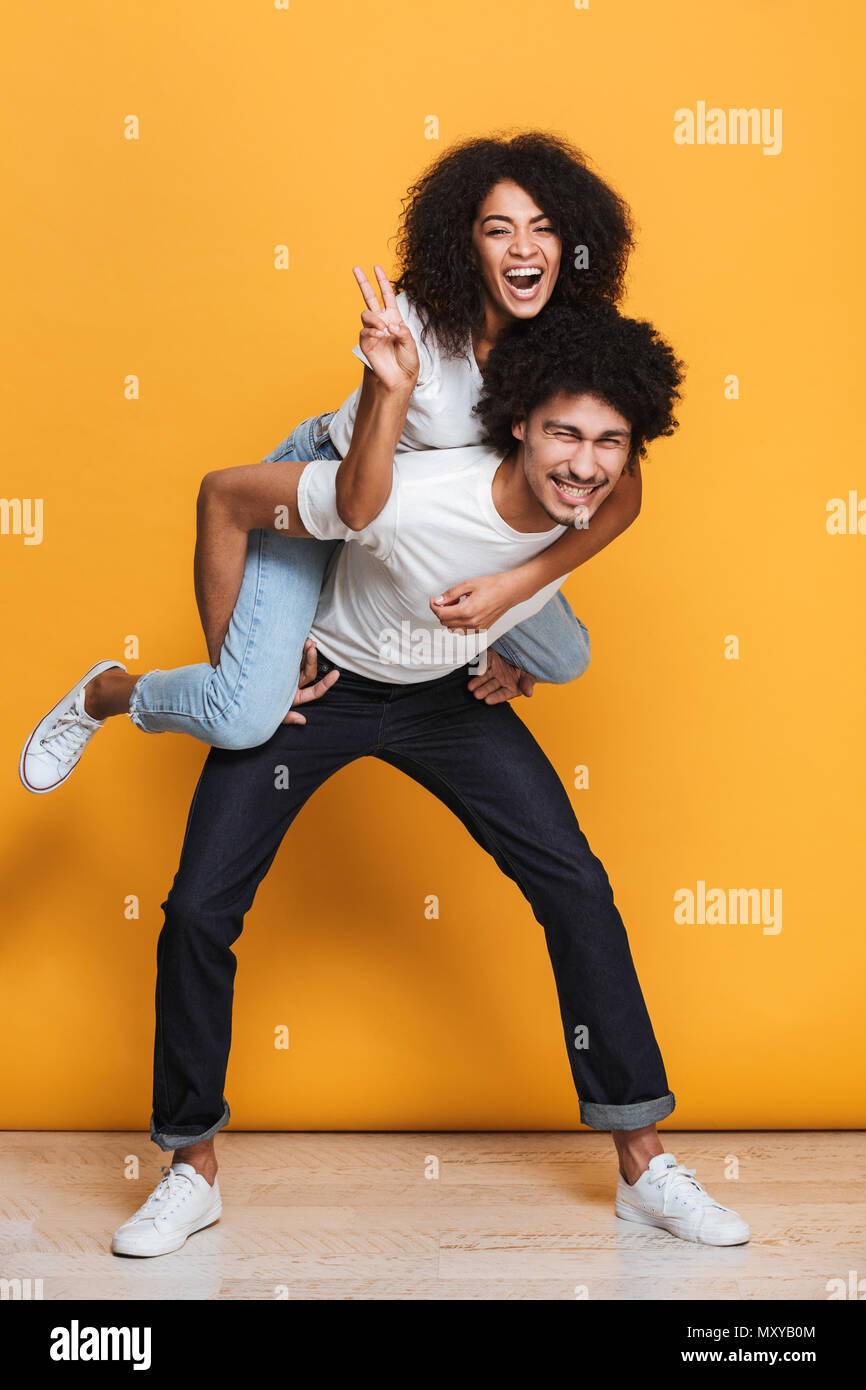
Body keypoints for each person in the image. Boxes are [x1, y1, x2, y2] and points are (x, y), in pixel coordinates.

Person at [109, 297, 750, 1257]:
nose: (586, 462)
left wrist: (510, 614)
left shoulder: (602, 491)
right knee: (200, 908)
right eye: (565, 434)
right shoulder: (410, 494)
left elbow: (618, 500)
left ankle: (643, 1166)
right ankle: (189, 1167)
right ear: (521, 424)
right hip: (326, 687)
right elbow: (226, 499)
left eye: (610, 441)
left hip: (448, 698)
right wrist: (247, 663)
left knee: (575, 887)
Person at [20, 132, 643, 791]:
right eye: (499, 230)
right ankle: (107, 693)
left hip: (430, 520)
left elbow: (625, 493)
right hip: (336, 486)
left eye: (544, 229)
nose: (524, 248)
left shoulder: (571, 339)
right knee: (243, 715)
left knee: (565, 656)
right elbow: (355, 505)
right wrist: (246, 671)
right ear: (468, 245)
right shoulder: (415, 333)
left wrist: (512, 591)